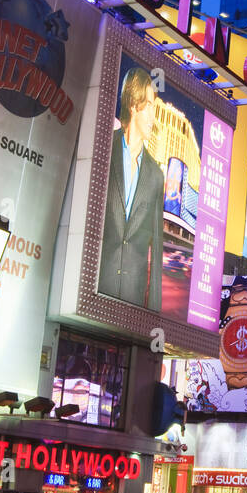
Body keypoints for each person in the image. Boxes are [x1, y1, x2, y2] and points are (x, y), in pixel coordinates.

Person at [99, 65, 164, 310]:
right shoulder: (105, 148)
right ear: (134, 105)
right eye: (149, 107)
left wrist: (154, 312)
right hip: (94, 285)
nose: (153, 119)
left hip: (132, 301)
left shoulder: (156, 176)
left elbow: (156, 252)